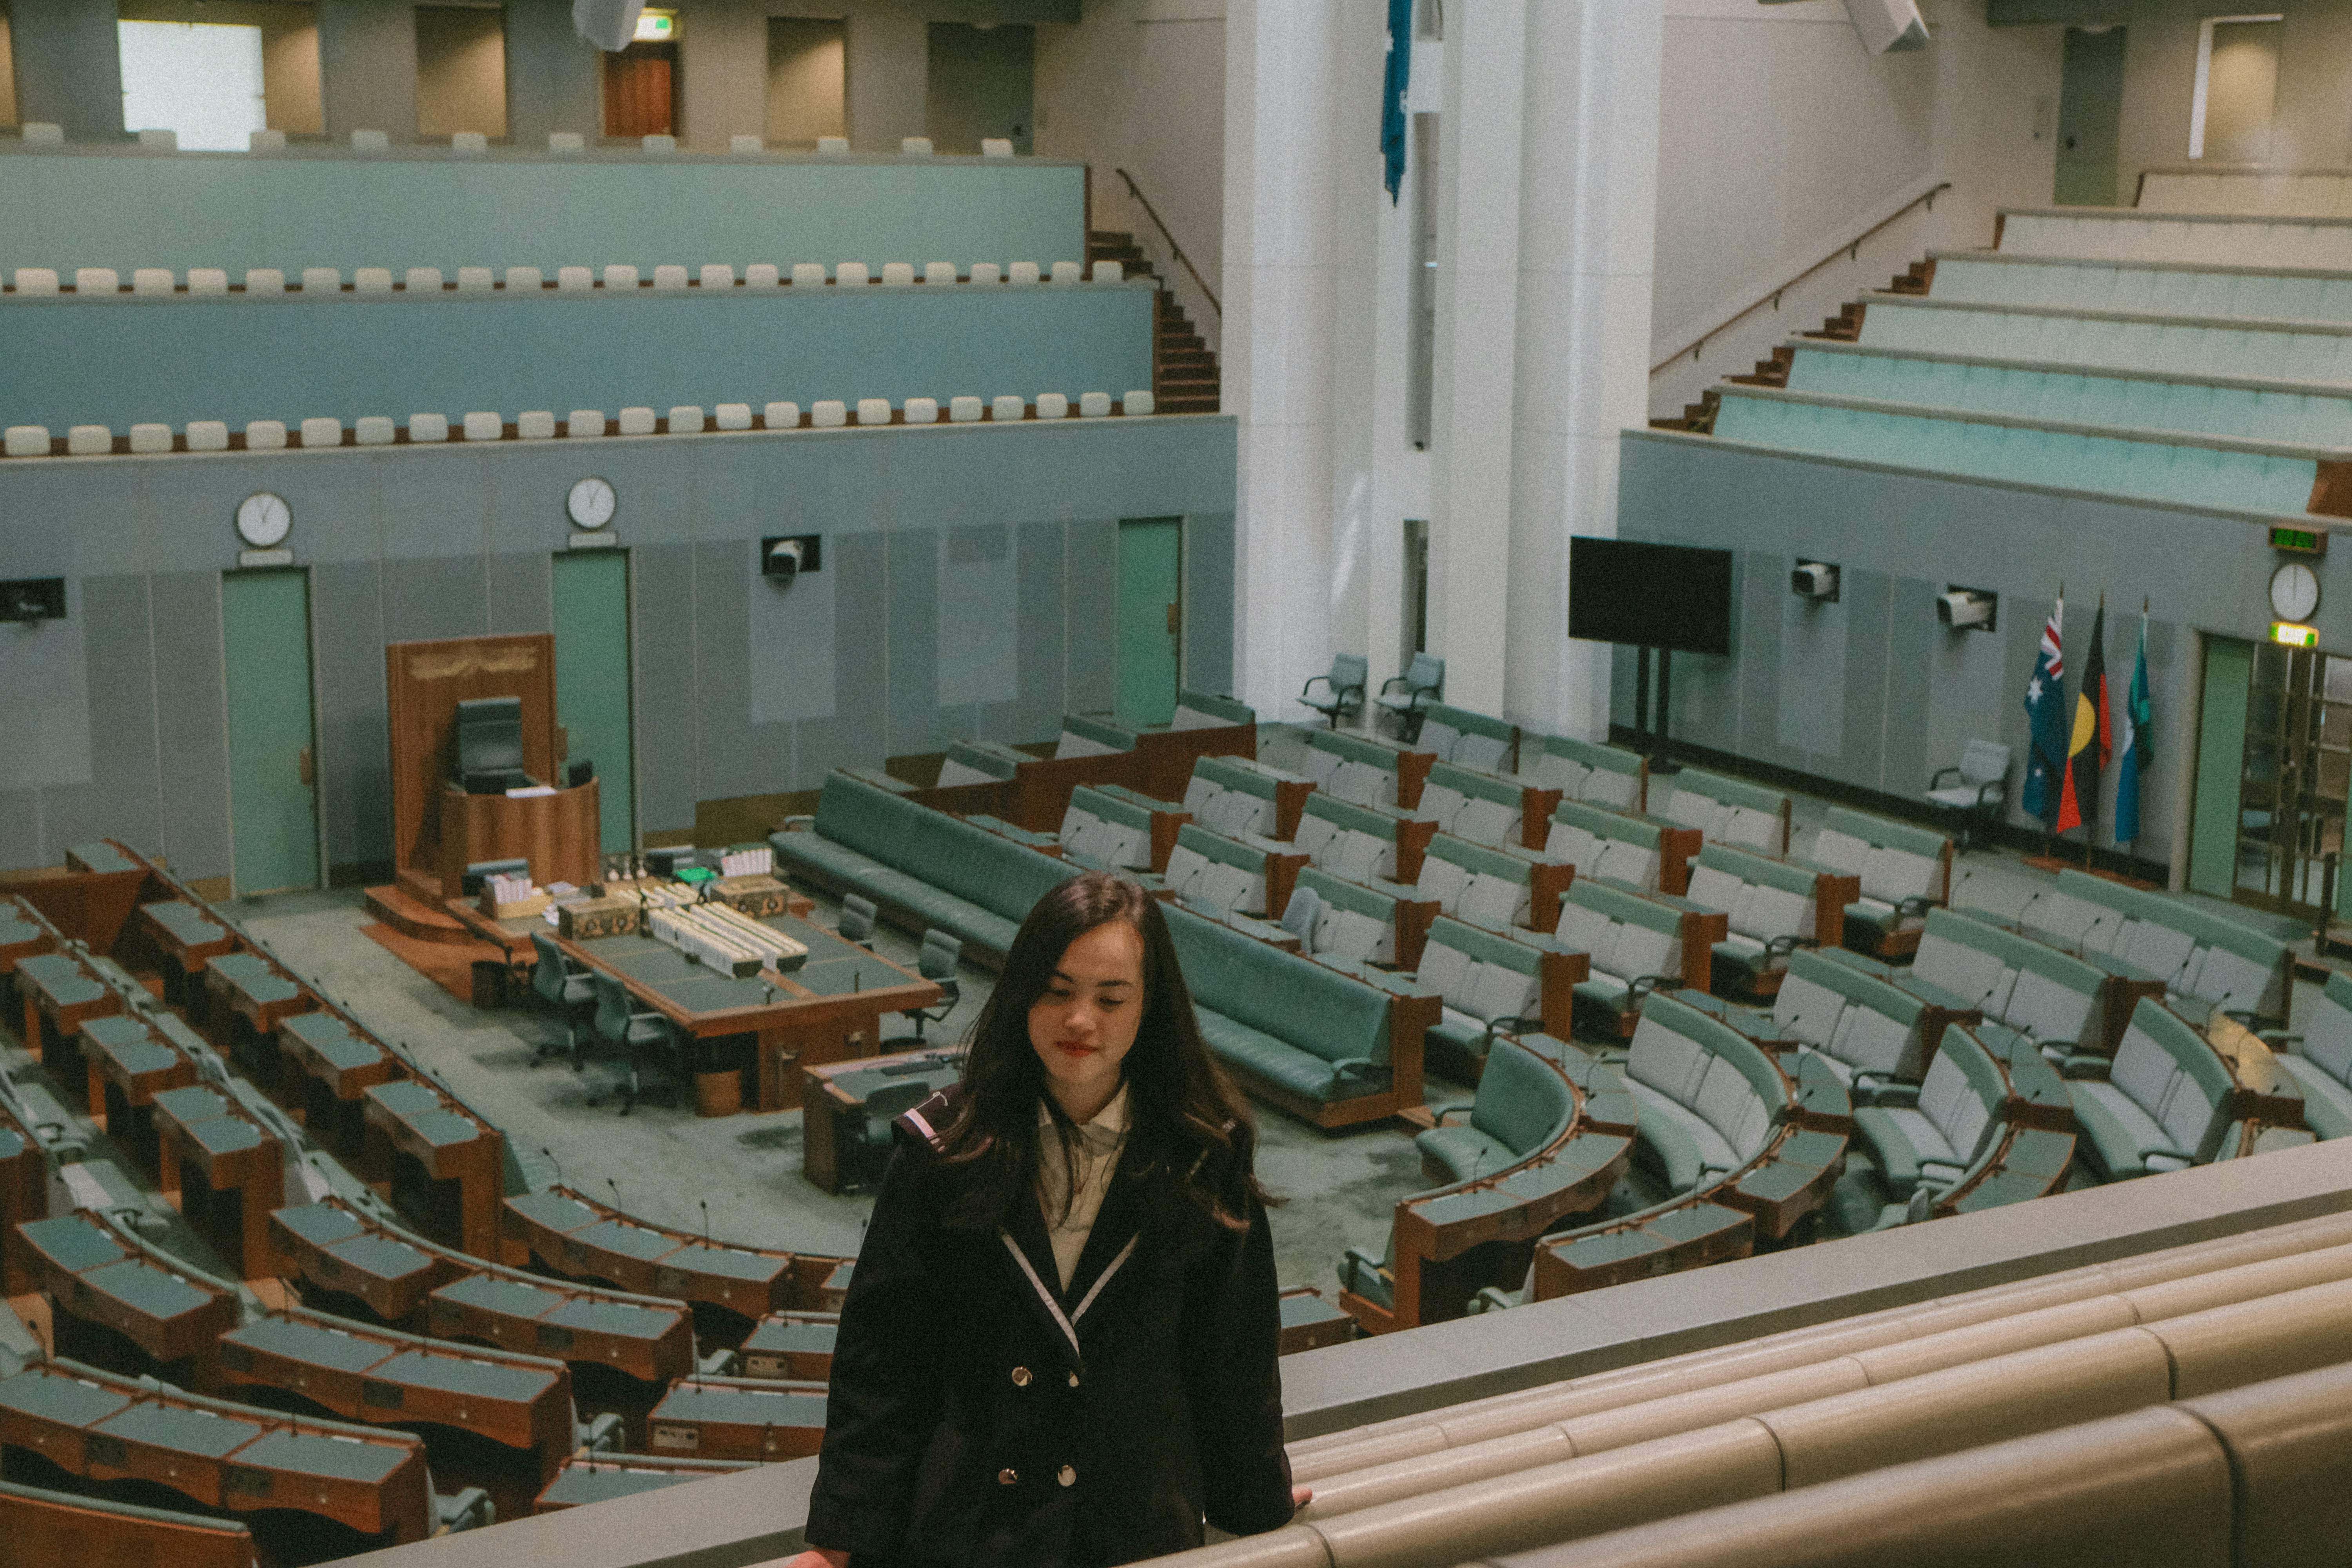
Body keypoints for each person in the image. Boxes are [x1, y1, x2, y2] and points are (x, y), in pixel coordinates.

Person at [787, 871, 1303, 1568]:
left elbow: (1232, 1358)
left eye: (1111, 998)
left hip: (1132, 1529)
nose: (1080, 1020)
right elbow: (885, 1361)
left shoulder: (1201, 1156)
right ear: (1021, 993)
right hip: (970, 1527)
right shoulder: (944, 1148)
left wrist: (1258, 1502)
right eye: (1057, 992)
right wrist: (842, 1538)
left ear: (1151, 1008)